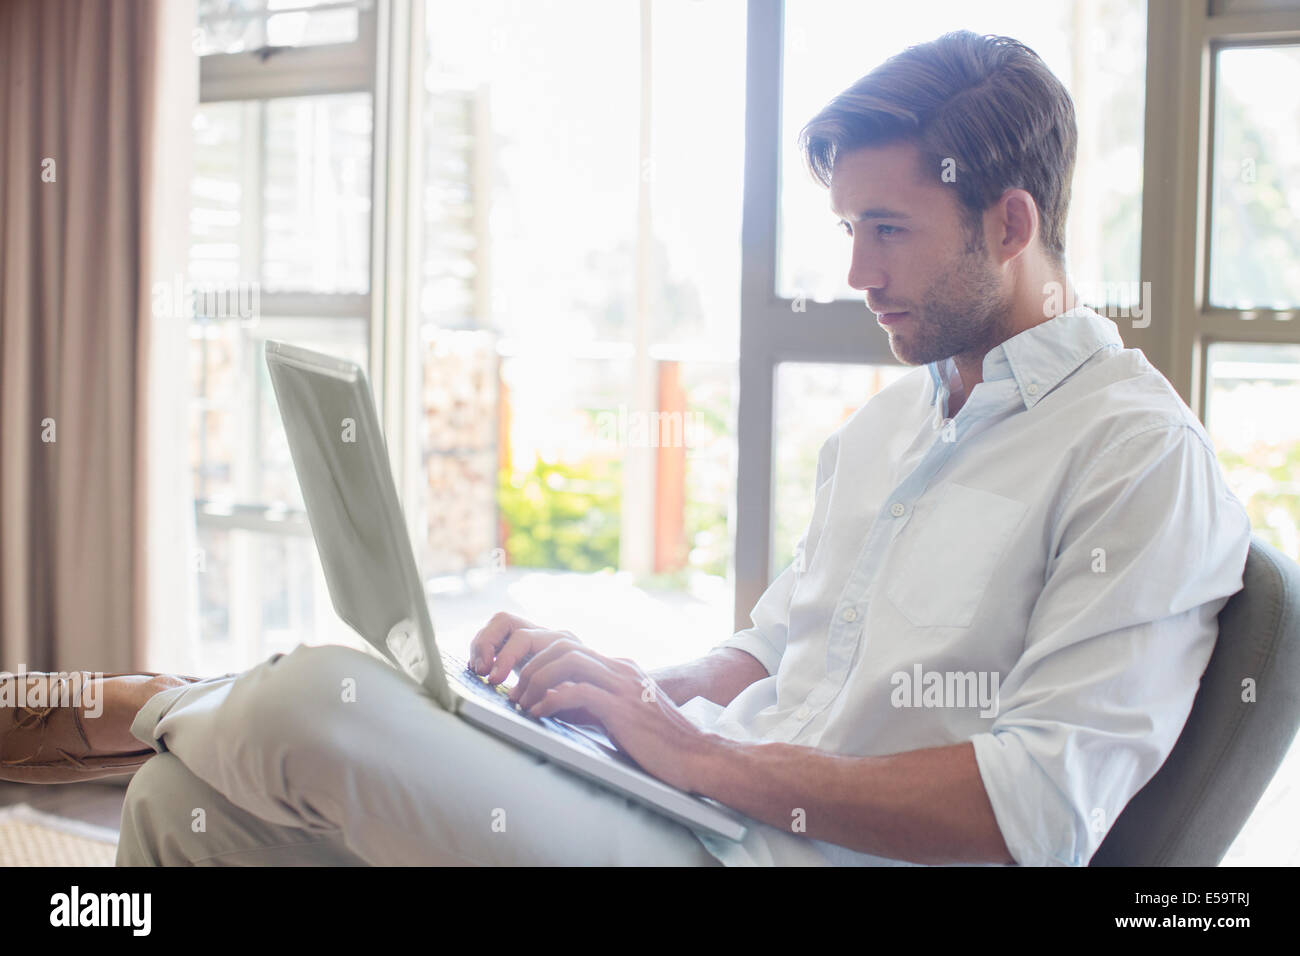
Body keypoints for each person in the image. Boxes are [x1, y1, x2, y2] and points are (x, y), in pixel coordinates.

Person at [0, 30, 1251, 867]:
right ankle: (189, 717)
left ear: (1012, 221)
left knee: (310, 705)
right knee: (187, 809)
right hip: (702, 813)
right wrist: (622, 693)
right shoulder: (895, 420)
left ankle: (158, 695)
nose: (854, 275)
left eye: (887, 228)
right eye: (845, 227)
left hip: (784, 851)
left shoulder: (1137, 460)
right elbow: (771, 647)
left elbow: (1037, 806)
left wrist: (704, 754)